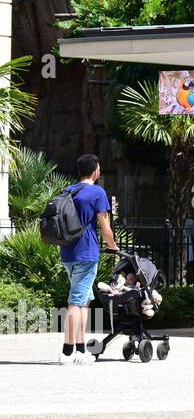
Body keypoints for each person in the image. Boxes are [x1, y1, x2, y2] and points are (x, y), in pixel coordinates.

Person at [58, 154, 119, 365]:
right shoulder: (97, 192)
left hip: (67, 252)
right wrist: (112, 246)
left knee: (84, 299)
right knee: (76, 300)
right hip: (86, 253)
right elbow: (105, 227)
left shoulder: (69, 190)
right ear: (95, 171)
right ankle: (67, 351)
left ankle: (81, 350)